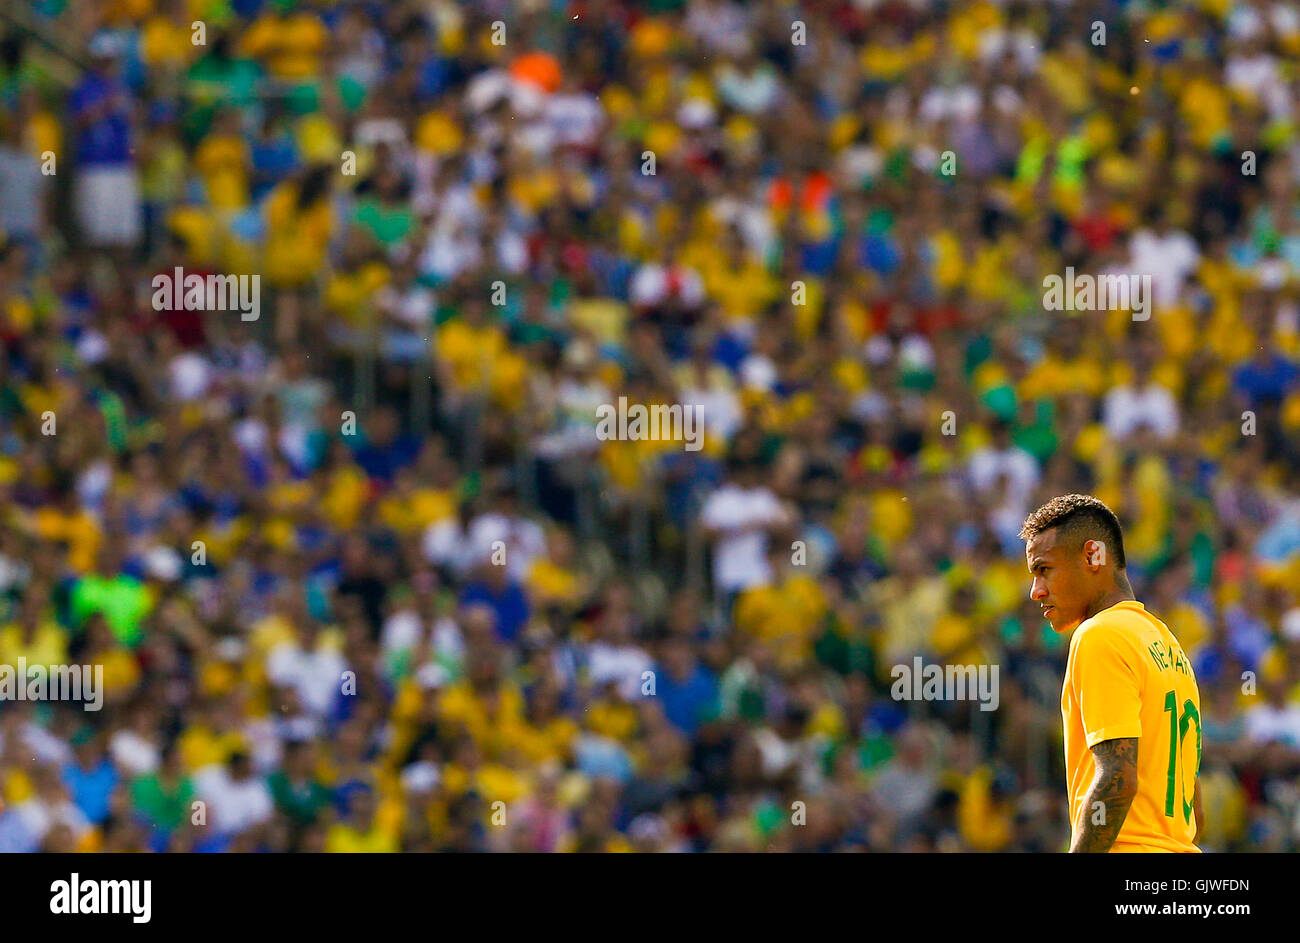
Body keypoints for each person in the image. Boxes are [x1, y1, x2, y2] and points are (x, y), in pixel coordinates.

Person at [1020, 493, 1203, 853]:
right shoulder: (1168, 645)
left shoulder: (1100, 634)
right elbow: (1195, 810)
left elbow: (1118, 778)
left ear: (1093, 556)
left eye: (1045, 569)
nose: (1035, 592)